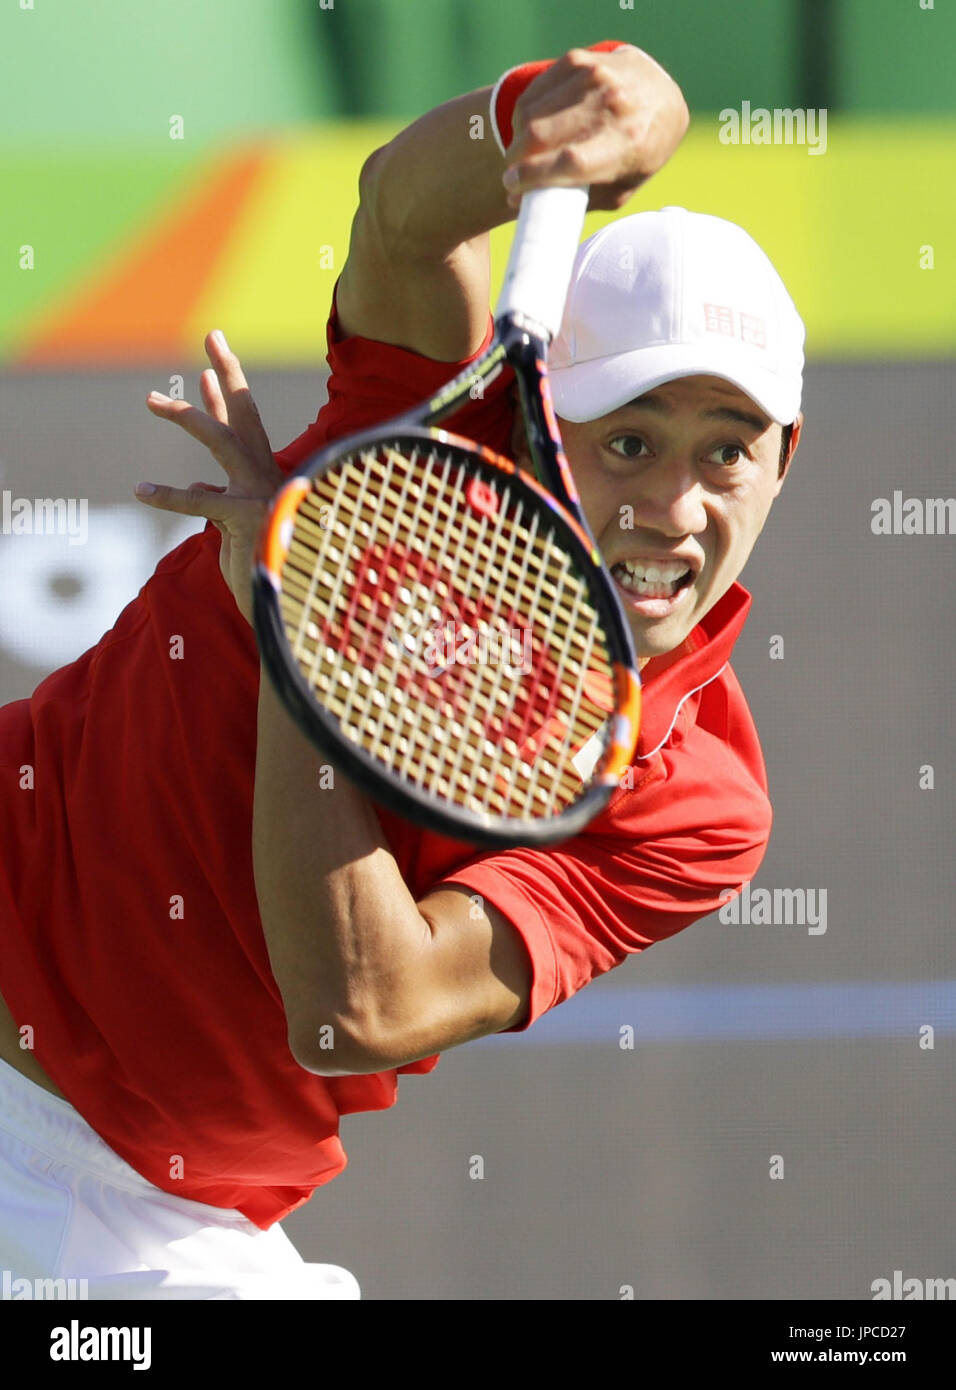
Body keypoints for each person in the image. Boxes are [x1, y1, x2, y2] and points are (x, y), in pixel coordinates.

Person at [0, 41, 802, 1300]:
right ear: (541, 419)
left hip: (155, 1216)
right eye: (628, 442)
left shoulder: (697, 802)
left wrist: (293, 610)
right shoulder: (426, 416)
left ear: (780, 461)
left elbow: (359, 1010)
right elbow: (402, 209)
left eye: (724, 451)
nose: (673, 506)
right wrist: (556, 103)